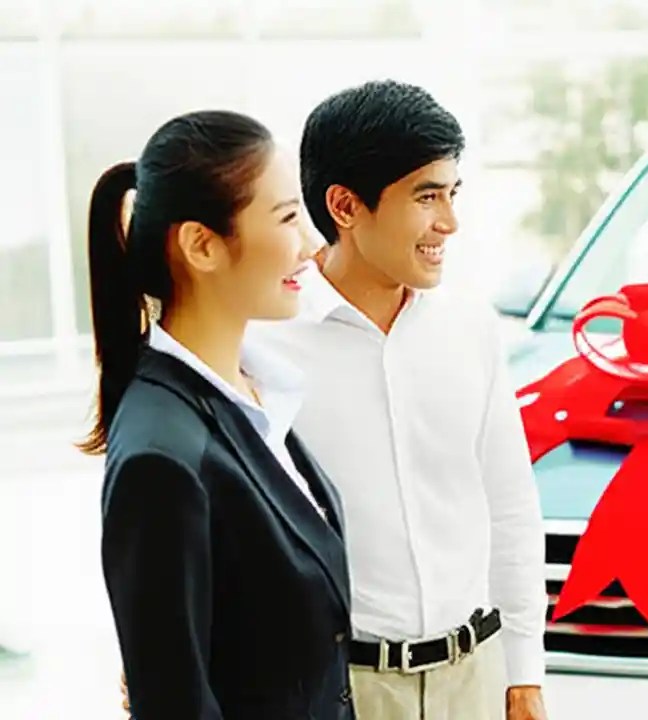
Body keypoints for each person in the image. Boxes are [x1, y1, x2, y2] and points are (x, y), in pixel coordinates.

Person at [117, 82, 549, 720]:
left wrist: (523, 674)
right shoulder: (260, 341)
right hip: (342, 690)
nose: (449, 222)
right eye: (427, 196)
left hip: (476, 681)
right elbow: (197, 524)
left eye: (453, 194)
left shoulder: (473, 328)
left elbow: (510, 506)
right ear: (345, 205)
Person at [85, 110, 355, 718]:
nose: (313, 246)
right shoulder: (162, 455)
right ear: (201, 245)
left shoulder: (261, 394)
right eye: (288, 217)